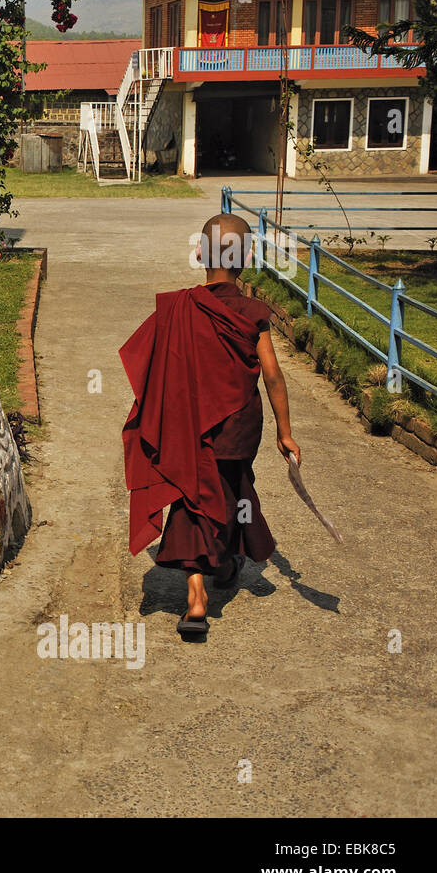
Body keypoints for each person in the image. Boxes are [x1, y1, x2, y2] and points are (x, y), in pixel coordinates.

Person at [119, 213, 301, 638]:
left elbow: (153, 370)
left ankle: (196, 594)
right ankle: (224, 564)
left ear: (200, 253)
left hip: (189, 423)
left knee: (190, 494)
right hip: (239, 425)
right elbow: (272, 374)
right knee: (232, 484)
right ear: (248, 257)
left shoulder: (179, 308)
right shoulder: (253, 312)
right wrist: (285, 430)